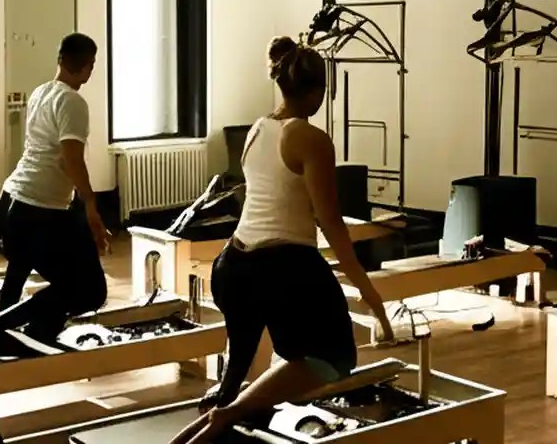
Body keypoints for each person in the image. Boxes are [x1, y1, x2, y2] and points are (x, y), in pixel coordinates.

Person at [168, 36, 394, 444]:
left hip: (233, 266)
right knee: (334, 358)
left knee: (259, 365)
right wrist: (371, 296)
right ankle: (227, 414)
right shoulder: (311, 138)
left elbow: (274, 197)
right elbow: (332, 226)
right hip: (281, 269)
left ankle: (219, 413)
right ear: (319, 91)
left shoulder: (258, 128)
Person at [0, 33, 111, 355]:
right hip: (38, 210)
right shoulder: (72, 101)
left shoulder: (42, 92)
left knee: (21, 266)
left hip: (12, 200)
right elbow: (69, 158)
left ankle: (30, 328)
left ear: (59, 59)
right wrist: (92, 209)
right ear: (88, 66)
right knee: (88, 290)